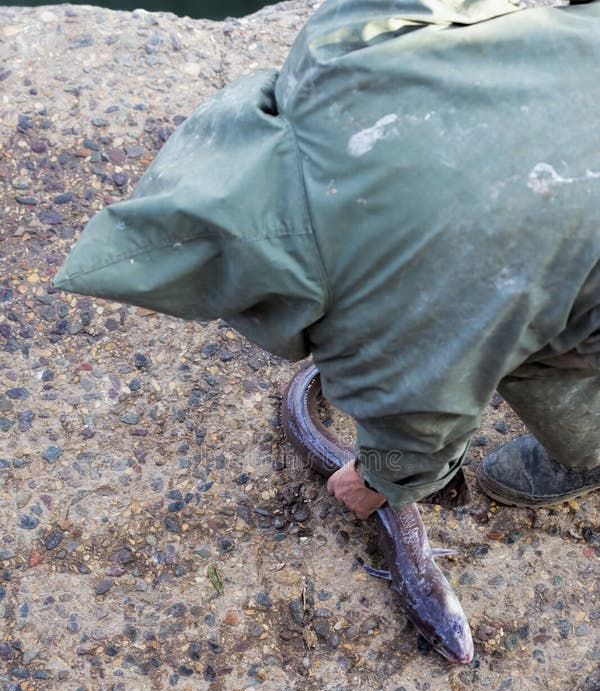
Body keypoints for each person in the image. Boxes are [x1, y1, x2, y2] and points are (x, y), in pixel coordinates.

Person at [55, 0, 600, 522]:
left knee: (531, 337)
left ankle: (591, 452)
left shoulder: (382, 317)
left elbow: (419, 424)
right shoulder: (336, 42)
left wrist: (379, 479)